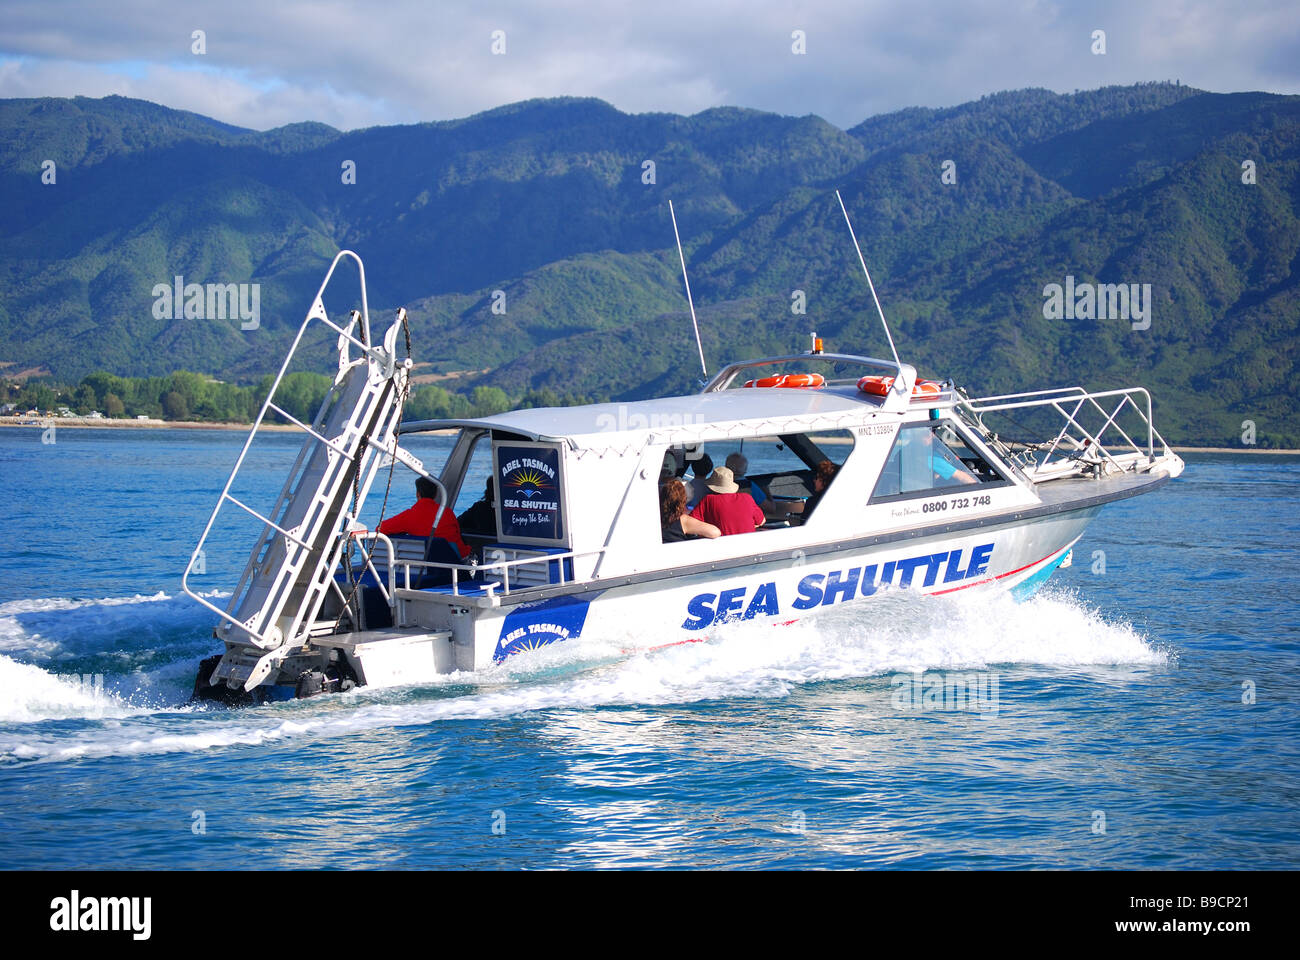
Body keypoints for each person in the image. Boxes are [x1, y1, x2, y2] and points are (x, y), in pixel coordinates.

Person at [377, 476, 470, 559]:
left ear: (418, 494)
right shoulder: (448, 513)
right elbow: (458, 533)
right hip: (456, 562)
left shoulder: (409, 516)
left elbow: (380, 529)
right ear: (436, 494)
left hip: (428, 565)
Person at [690, 466, 764, 536]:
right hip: (749, 546)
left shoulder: (708, 500)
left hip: (721, 546)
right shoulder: (747, 498)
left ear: (712, 486)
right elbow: (761, 521)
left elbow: (691, 524)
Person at [725, 451, 793, 521]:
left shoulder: (716, 486)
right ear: (744, 470)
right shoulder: (748, 486)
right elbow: (771, 509)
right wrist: (766, 490)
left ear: (726, 467)